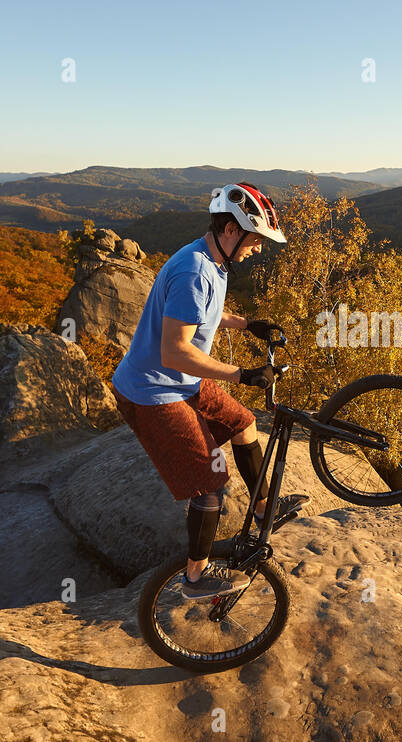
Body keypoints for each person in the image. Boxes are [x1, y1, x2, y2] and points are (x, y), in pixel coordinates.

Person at [110, 183, 307, 600]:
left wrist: (246, 324)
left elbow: (202, 315)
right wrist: (243, 375)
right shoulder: (195, 271)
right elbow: (175, 351)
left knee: (243, 422)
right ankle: (195, 578)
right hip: (153, 391)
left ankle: (261, 506)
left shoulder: (210, 260)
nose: (258, 250)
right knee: (212, 483)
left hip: (183, 380)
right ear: (233, 230)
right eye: (256, 240)